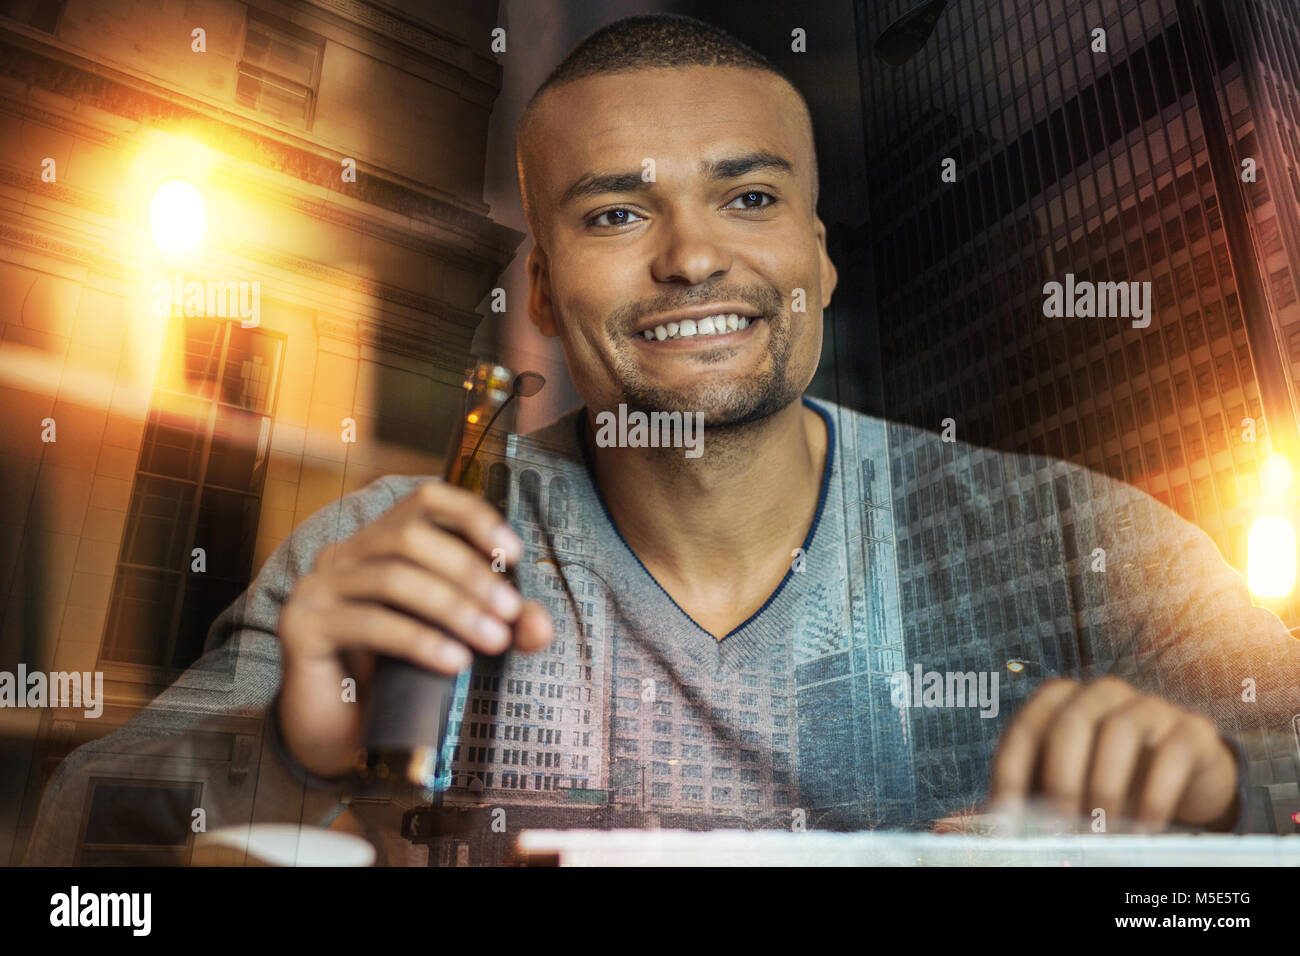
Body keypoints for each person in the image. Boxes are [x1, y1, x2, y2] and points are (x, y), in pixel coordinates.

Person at [28, 14, 1300, 865]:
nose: (693, 255)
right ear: (538, 292)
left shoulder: (1065, 544)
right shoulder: (391, 562)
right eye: (615, 212)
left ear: (819, 255)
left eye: (749, 198)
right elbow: (73, 859)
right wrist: (278, 755)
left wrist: (1222, 820)